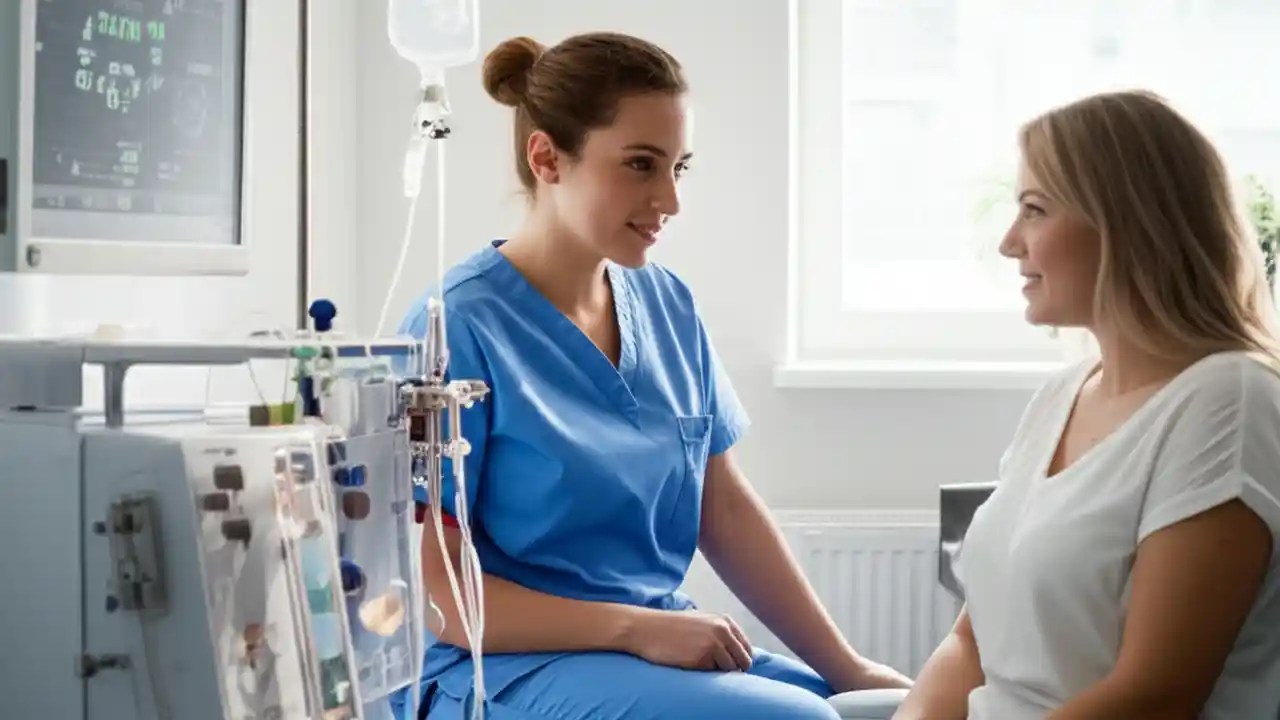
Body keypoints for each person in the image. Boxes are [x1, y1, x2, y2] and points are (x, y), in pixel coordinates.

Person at [390, 32, 911, 719]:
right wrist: (636, 628)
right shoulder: (455, 328)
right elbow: (438, 595)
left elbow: (721, 509)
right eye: (640, 164)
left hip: (640, 648)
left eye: (678, 168)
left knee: (887, 710)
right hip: (496, 669)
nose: (669, 200)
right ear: (546, 157)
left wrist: (848, 668)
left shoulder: (667, 304)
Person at [894, 90, 1280, 720]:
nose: (1010, 242)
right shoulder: (1062, 395)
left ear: (1130, 226)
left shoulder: (1228, 402)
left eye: (1034, 210)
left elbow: (1154, 697)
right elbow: (971, 643)